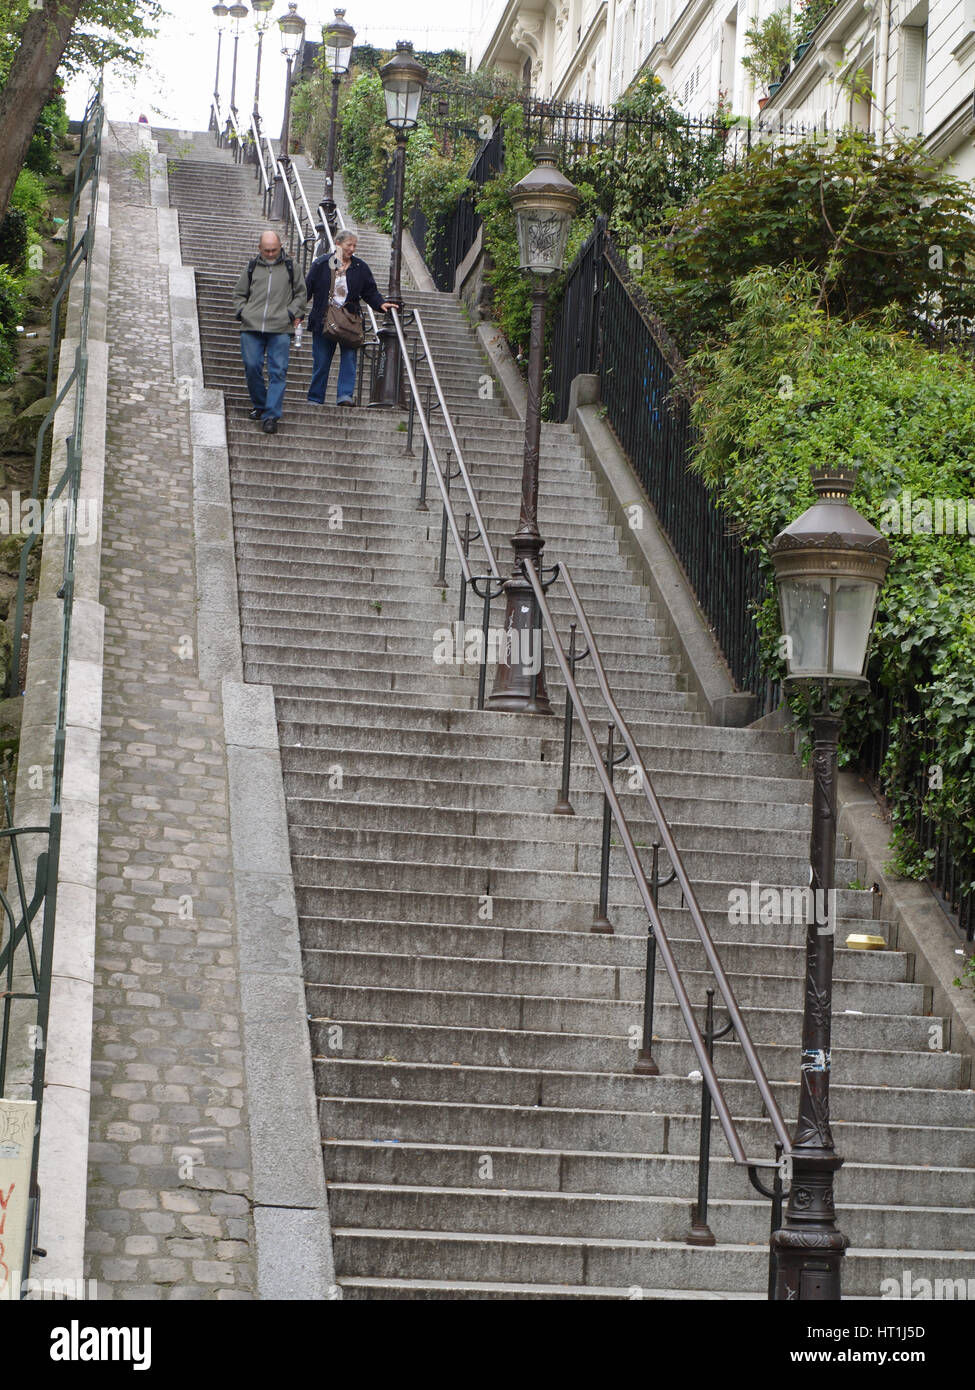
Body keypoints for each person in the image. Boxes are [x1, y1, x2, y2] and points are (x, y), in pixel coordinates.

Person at [305, 230, 394, 406]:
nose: (352, 249)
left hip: (349, 321)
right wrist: (297, 314)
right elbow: (306, 291)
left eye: (354, 246)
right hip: (324, 319)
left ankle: (345, 396)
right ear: (338, 243)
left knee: (349, 359)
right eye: (349, 245)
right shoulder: (321, 264)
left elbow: (370, 291)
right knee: (321, 362)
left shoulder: (360, 267)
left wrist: (381, 304)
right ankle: (315, 398)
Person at [232, 230, 307, 434]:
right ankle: (260, 404)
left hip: (281, 328)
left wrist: (290, 314)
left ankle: (271, 416)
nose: (271, 253)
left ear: (280, 246)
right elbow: (239, 293)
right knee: (252, 366)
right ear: (260, 248)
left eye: (274, 249)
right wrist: (243, 312)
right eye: (267, 250)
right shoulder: (252, 267)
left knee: (278, 371)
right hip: (251, 326)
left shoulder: (292, 267)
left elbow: (301, 294)